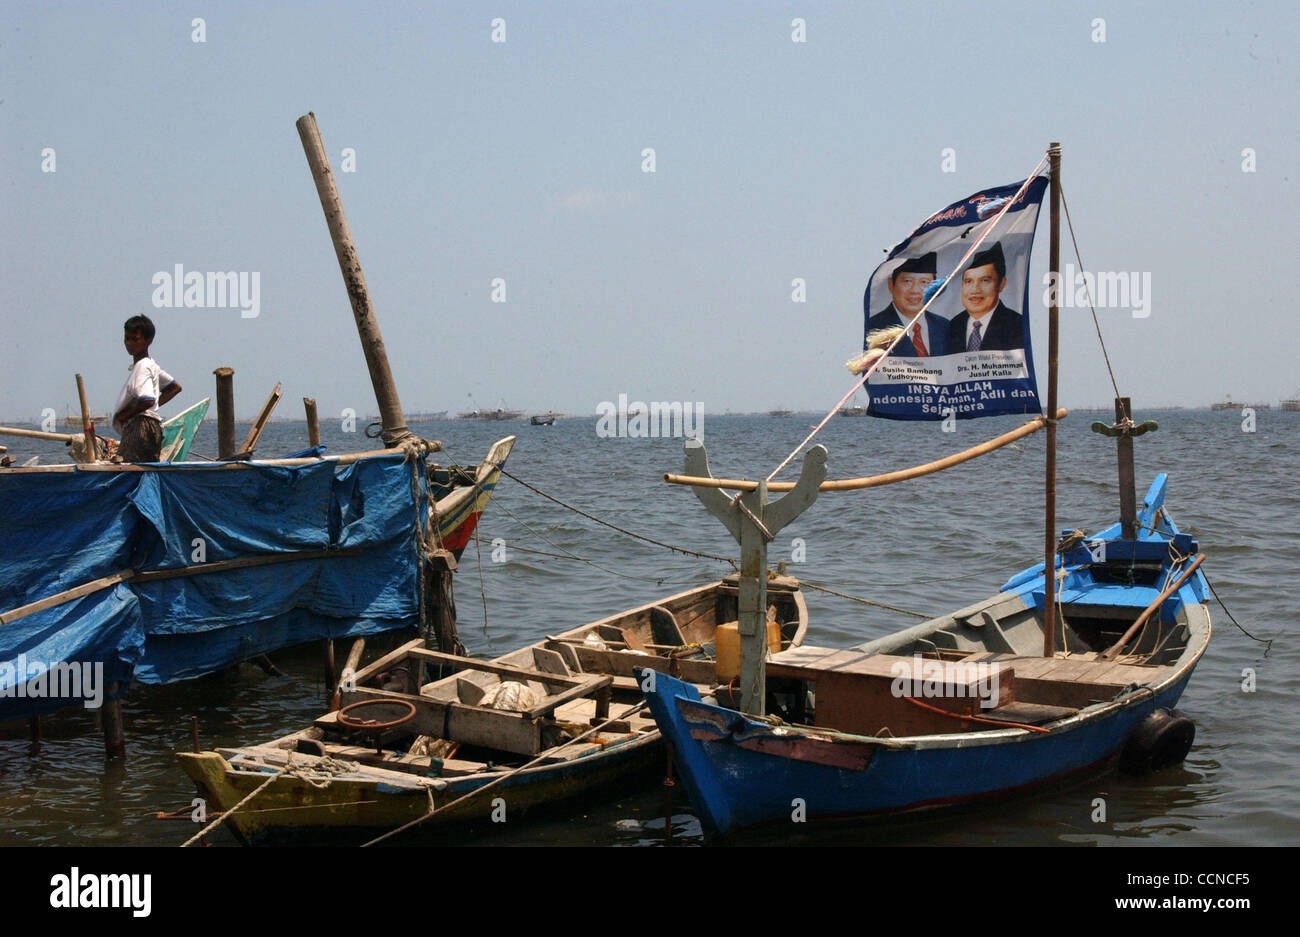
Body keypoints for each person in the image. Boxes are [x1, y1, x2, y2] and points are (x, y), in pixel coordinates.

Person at [112, 315, 181, 462]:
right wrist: (153, 408)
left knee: (129, 468)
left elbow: (147, 400)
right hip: (150, 426)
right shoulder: (151, 365)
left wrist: (125, 415)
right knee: (144, 468)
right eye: (127, 339)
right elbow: (174, 388)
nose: (129, 343)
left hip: (141, 426)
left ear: (148, 341)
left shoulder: (143, 367)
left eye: (135, 339)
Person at [866, 252, 948, 357]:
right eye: (907, 281)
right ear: (891, 285)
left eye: (924, 282)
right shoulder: (875, 327)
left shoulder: (945, 327)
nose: (915, 290)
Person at [947, 241, 1024, 353]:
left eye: (985, 280)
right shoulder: (950, 327)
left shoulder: (1018, 326)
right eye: (968, 281)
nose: (975, 290)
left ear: (1001, 284)